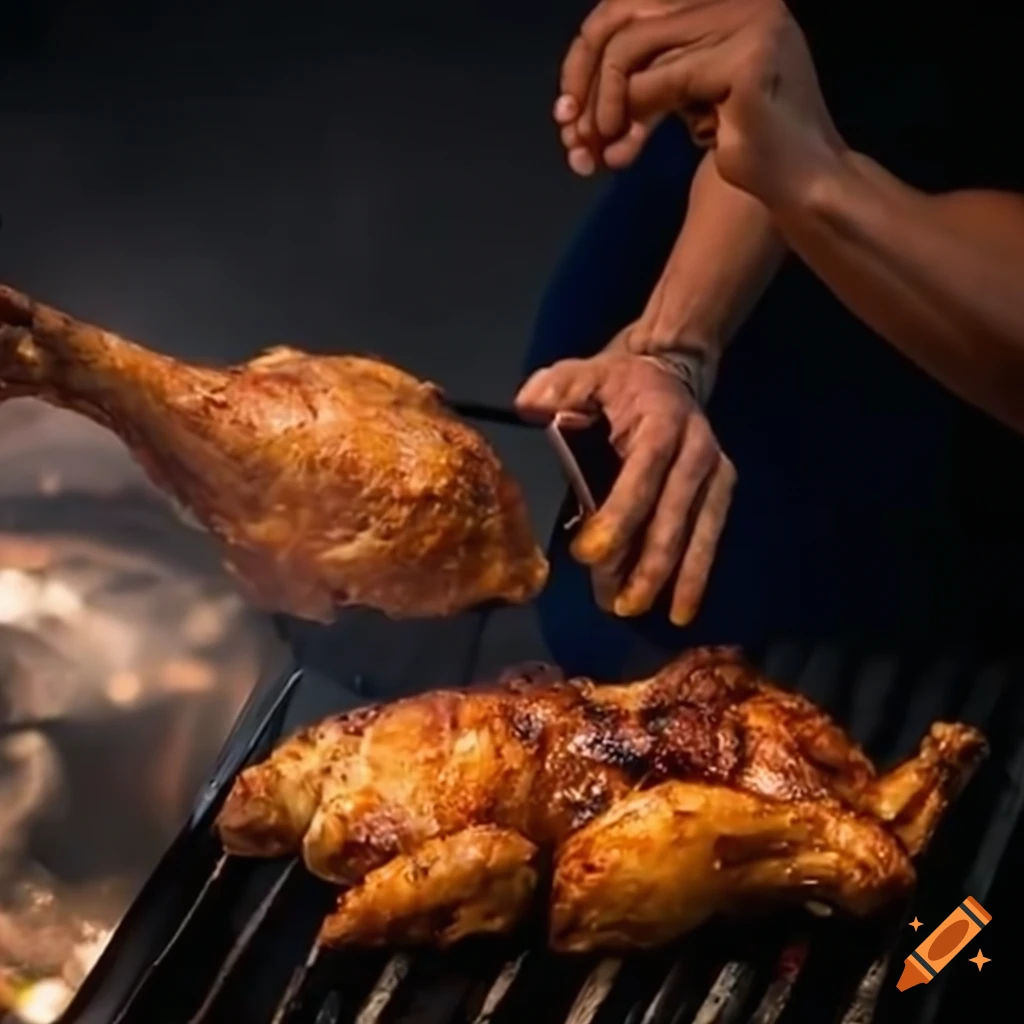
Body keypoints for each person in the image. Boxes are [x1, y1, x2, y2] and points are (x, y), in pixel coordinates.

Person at [513, 0, 1024, 681]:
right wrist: (675, 344)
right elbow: (800, 91)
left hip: (896, 620)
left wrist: (818, 177)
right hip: (662, 593)